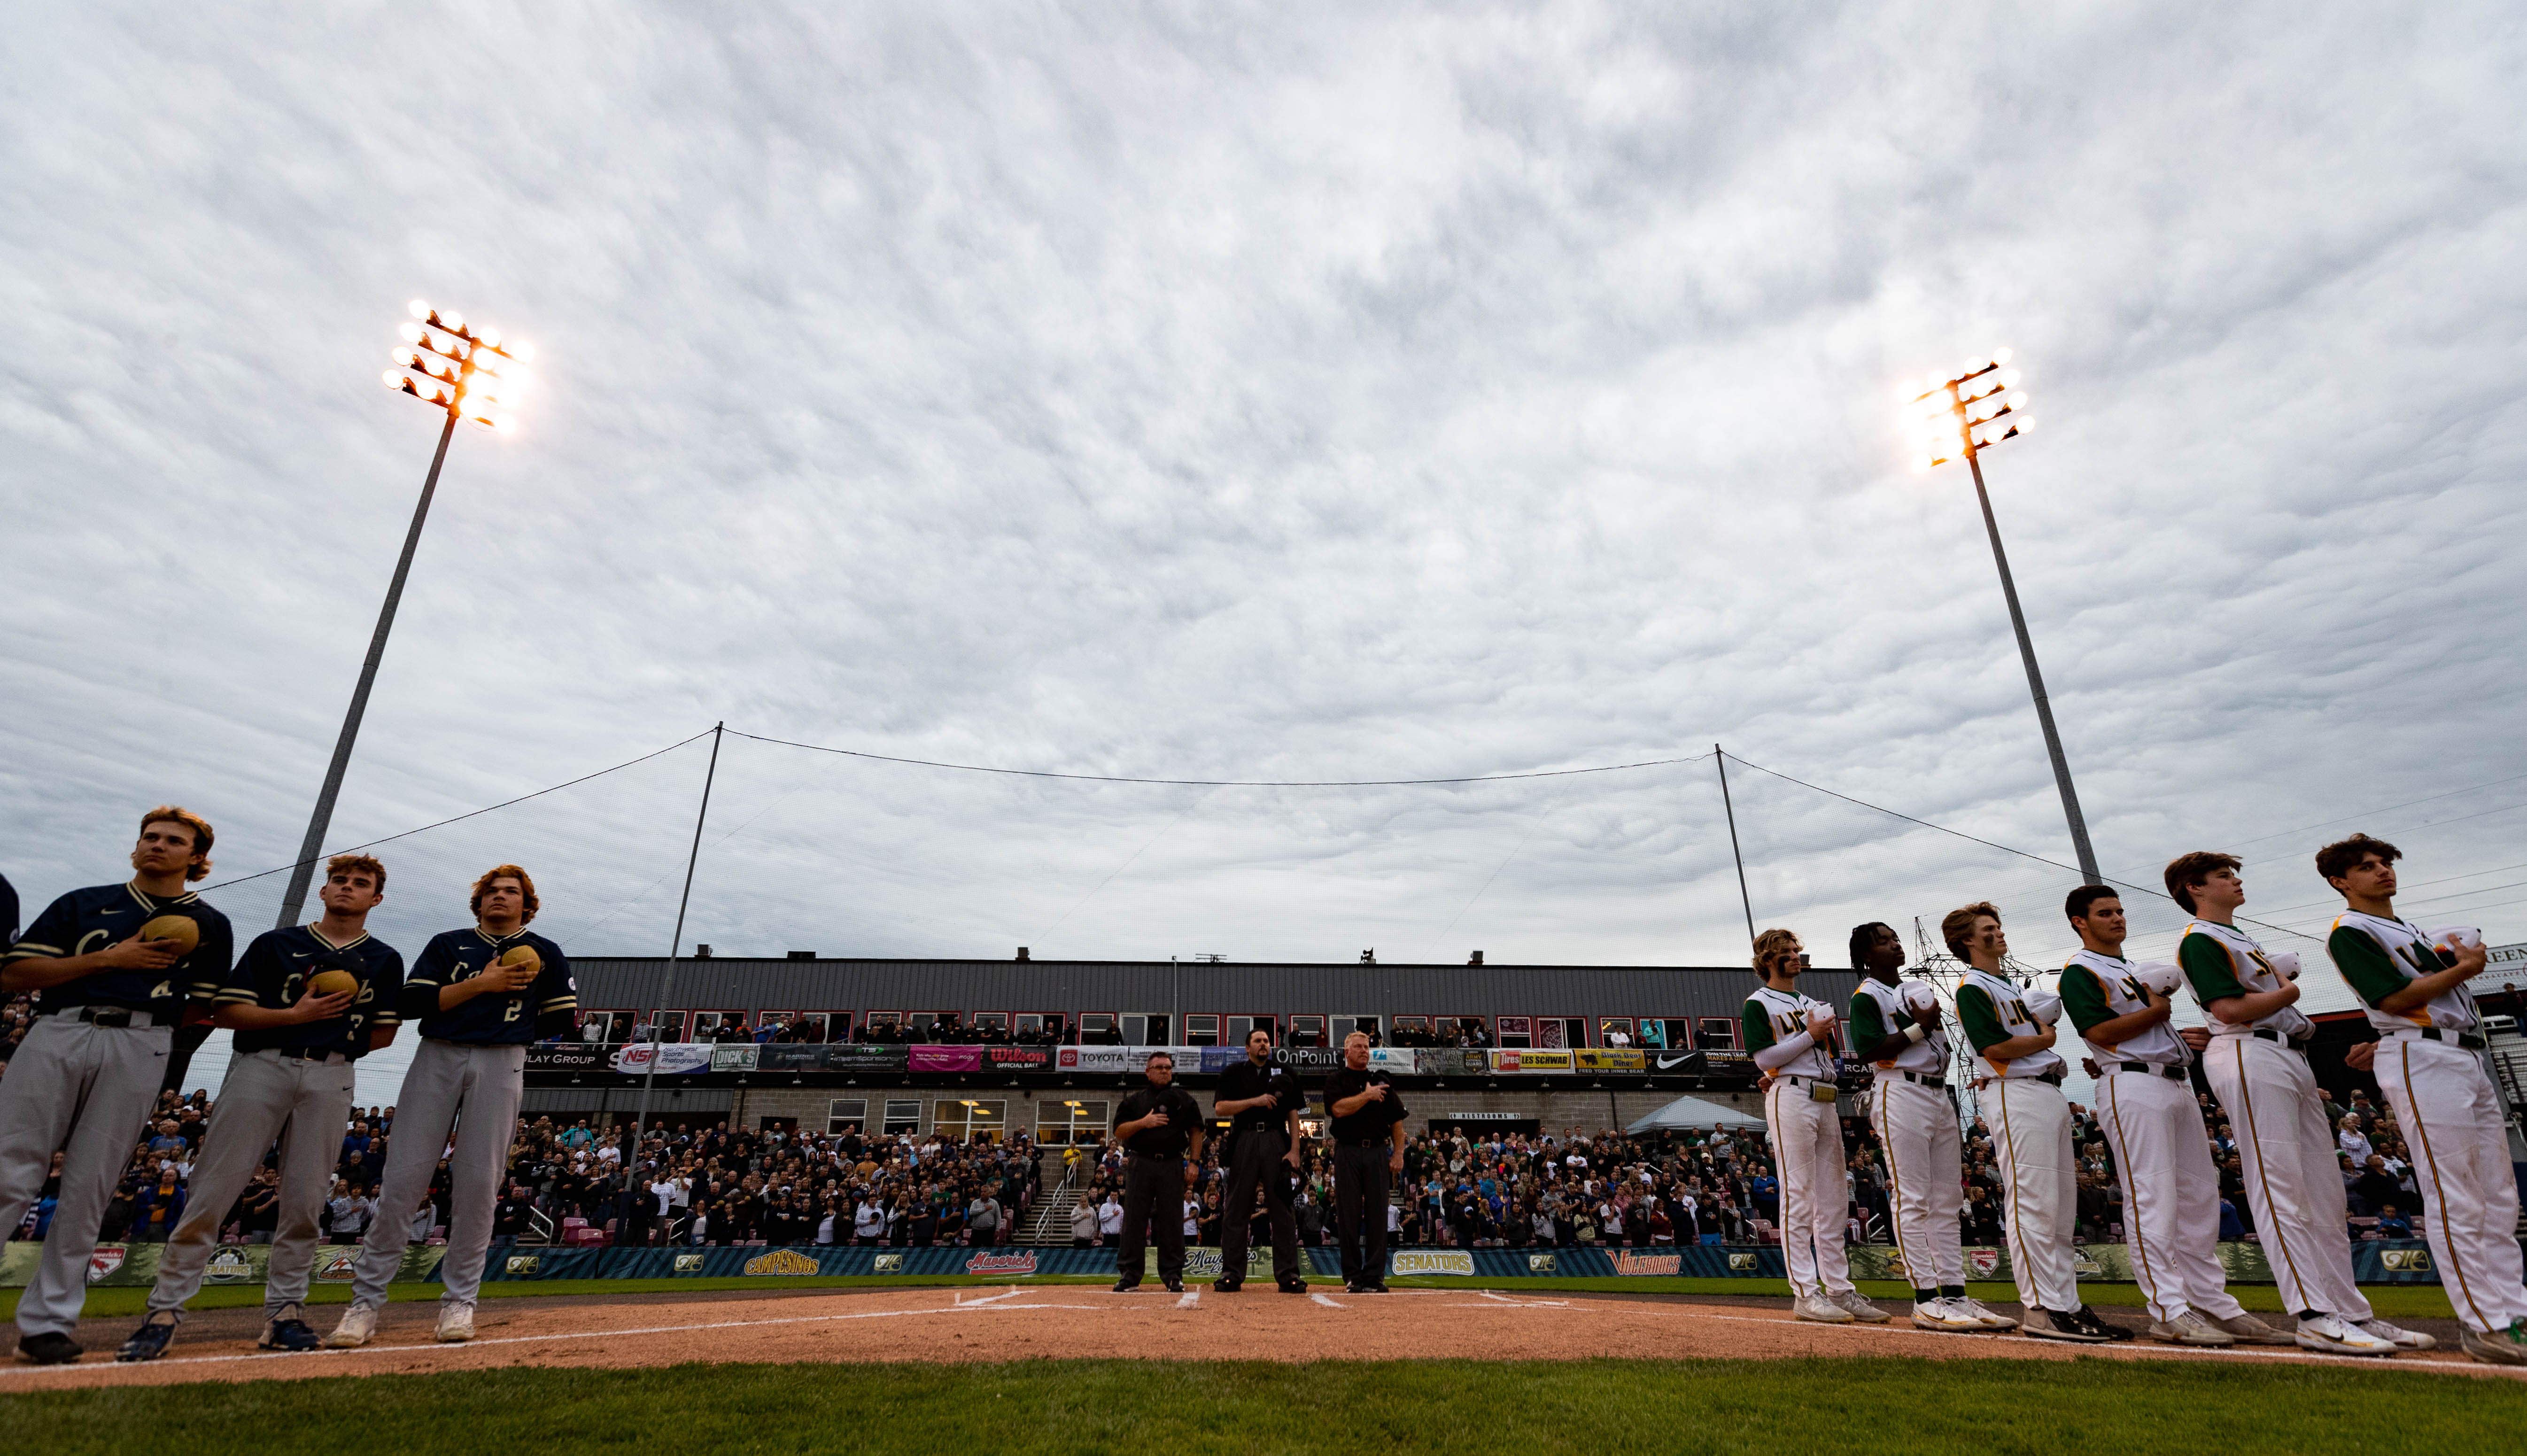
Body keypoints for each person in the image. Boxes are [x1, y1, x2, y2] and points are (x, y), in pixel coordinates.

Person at [119, 854, 407, 1361]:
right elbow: (226, 1011)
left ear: (376, 900)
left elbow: (383, 1033)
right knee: (213, 1191)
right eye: (339, 879)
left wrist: (327, 1034)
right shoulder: (278, 944)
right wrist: (295, 1016)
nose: (347, 887)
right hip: (262, 1065)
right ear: (323, 891)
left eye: (360, 883)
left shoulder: (383, 958)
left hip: (332, 1072)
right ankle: (163, 1312)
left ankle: (285, 1313)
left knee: (304, 1200)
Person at [0, 807, 233, 1366]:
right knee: (10, 1168)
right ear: (136, 848)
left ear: (196, 858)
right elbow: (14, 973)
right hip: (60, 1027)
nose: (157, 845)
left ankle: (48, 1323)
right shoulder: (83, 903)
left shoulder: (213, 924)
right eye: (149, 837)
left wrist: (157, 1039)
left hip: (141, 1040)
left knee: (90, 1185)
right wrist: (111, 958)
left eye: (173, 840)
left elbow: (203, 1005)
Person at [329, 864, 575, 1348]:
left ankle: (459, 1302)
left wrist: (509, 1020)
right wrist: (481, 986)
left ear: (527, 903)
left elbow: (561, 1018)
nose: (500, 897)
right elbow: (412, 1002)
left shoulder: (545, 950)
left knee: (480, 1185)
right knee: (402, 1181)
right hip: (439, 1052)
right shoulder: (448, 943)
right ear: (478, 902)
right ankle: (364, 1304)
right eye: (491, 891)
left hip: (502, 1058)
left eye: (511, 892)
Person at [2167, 851, 2397, 1356]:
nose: (2236, 880)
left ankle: (2350, 1311)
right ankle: (2312, 1316)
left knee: (2324, 1191)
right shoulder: (2200, 939)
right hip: (2249, 1050)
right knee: (2279, 1186)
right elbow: (2227, 1008)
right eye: (2224, 875)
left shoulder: (2241, 938)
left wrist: (2291, 1011)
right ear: (2195, 889)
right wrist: (2288, 989)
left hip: (2285, 1052)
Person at [2320, 833, 2524, 1363]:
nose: (2382, 871)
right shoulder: (2351, 929)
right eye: (2367, 866)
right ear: (2340, 881)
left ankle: (2514, 1313)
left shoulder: (2406, 927)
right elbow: (2391, 998)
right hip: (2425, 1056)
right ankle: (2483, 1323)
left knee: (2498, 1195)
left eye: (2385, 862)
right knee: (2454, 1190)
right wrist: (2463, 969)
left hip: (2461, 1052)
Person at [2056, 884, 2272, 1348]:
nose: (2116, 918)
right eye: (2103, 912)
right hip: (2131, 1083)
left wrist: (2177, 1034)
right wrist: (2156, 1011)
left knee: (2198, 1198)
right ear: (2079, 921)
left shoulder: (2133, 968)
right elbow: (2095, 1029)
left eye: (2118, 910)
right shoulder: (2079, 969)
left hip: (2174, 1079)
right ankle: (2169, 1309)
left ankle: (2212, 1301)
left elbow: (2147, 1023)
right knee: (2151, 1197)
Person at [1947, 901, 2125, 1343]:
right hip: (2015, 1092)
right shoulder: (1973, 986)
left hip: (2045, 1090)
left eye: (1999, 926)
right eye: (1989, 929)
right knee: (2035, 1203)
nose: (1999, 933)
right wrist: (2045, 1038)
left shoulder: (2007, 984)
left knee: (2061, 1207)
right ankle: (2042, 1309)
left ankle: (2067, 1303)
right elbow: (1994, 1049)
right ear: (1968, 941)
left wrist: (2041, 1041)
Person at [1844, 921, 2008, 1332]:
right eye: (1883, 942)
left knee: (1948, 1198)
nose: (1895, 945)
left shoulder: (1912, 987)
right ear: (1866, 956)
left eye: (1895, 938)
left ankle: (1955, 1293)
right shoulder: (1868, 994)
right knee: (1913, 1197)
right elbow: (1868, 1050)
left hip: (1938, 1092)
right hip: (1900, 1090)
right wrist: (1920, 1026)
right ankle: (1925, 1298)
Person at [1745, 928, 1884, 1325]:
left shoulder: (1811, 1002)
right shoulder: (1759, 1003)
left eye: (1796, 951)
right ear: (1768, 959)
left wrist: (1817, 1044)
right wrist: (1809, 1036)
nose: (1795, 957)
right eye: (1787, 952)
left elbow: (1830, 1055)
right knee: (1799, 1193)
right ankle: (1806, 1293)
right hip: (1792, 1095)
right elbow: (1763, 1058)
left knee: (1835, 1197)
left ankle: (1840, 1290)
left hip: (1824, 1096)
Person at [1210, 1027, 1310, 1293]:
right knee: (1236, 1208)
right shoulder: (1233, 1073)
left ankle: (1288, 1274)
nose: (1264, 1044)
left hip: (1276, 1140)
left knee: (1283, 1210)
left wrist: (1295, 1149)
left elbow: (1293, 1113)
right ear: (1248, 1047)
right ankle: (1231, 1273)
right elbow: (1221, 1108)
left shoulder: (1285, 1072)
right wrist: (1256, 1101)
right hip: (1244, 1138)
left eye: (1267, 1041)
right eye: (1258, 1041)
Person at [1322, 1030, 1407, 1293]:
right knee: (1347, 1214)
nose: (1364, 1051)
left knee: (1378, 1215)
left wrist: (1399, 1153)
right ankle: (1352, 1277)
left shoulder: (1381, 1081)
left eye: (1367, 1047)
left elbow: (1397, 1121)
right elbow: (1338, 1109)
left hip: (1377, 1152)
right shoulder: (1336, 1079)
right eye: (1358, 1047)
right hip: (1347, 1151)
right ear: (1347, 1052)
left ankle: (1374, 1276)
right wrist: (1367, 1097)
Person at [1110, 1052, 1202, 1293]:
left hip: (1172, 1164)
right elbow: (1119, 1131)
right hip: (1141, 1163)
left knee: (1172, 1220)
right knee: (1134, 1219)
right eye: (1159, 1067)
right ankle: (1130, 1275)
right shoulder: (1135, 1101)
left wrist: (1194, 1162)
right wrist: (1144, 1123)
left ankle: (1173, 1275)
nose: (1164, 1071)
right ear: (1147, 1071)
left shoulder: (1184, 1099)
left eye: (1168, 1067)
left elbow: (1196, 1131)